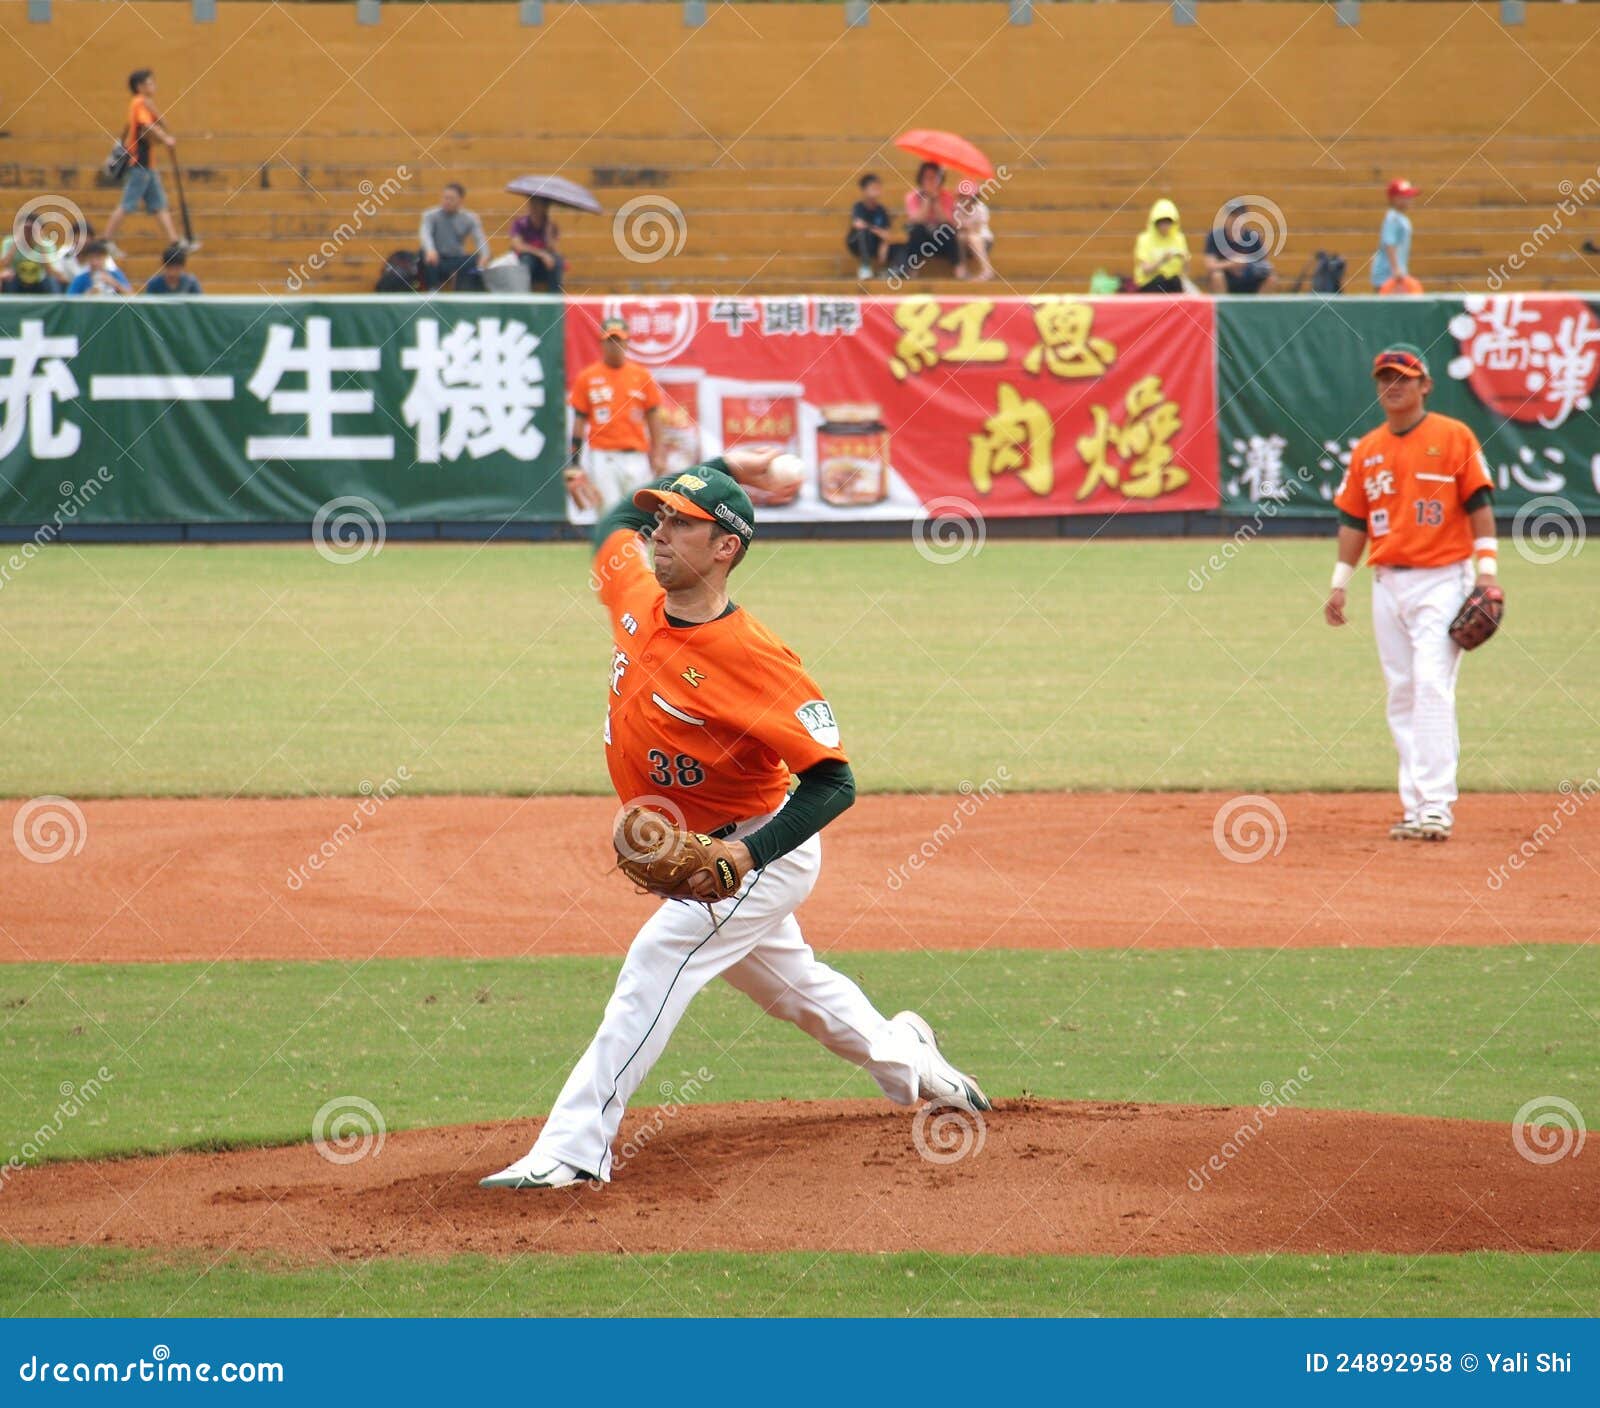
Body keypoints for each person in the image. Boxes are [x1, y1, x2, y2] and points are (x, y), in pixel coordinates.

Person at [479, 452, 990, 1190]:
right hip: (698, 851)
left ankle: (573, 1150)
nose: (658, 531)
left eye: (680, 523)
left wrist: (750, 860)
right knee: (793, 990)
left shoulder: (756, 660)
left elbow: (833, 782)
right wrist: (717, 466)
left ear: (726, 547)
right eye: (661, 516)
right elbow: (610, 528)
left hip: (758, 848)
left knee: (657, 962)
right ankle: (908, 1053)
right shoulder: (634, 590)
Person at [1324, 343, 1499, 843]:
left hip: (1443, 578)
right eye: (1384, 378)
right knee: (1402, 692)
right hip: (1386, 583)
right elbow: (1353, 520)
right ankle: (1416, 804)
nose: (1392, 385)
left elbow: (1480, 503)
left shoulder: (1452, 436)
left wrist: (1487, 573)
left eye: (1403, 377)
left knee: (1430, 684)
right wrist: (1340, 584)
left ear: (1425, 385)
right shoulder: (1367, 449)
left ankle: (1437, 805)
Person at [566, 317, 665, 510]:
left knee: (638, 513)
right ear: (602, 343)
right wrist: (574, 463)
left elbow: (654, 417)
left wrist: (658, 454)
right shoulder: (587, 377)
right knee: (609, 513)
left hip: (636, 455)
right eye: (610, 340)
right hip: (603, 456)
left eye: (618, 340)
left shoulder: (641, 375)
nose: (614, 345)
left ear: (627, 343)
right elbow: (578, 423)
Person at [105, 69, 183, 249]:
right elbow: (147, 125)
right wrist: (166, 139)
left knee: (159, 204)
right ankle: (106, 240)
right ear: (139, 86)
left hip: (148, 165)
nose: (153, 86)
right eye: (149, 83)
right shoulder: (139, 103)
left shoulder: (144, 103)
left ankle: (174, 242)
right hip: (139, 163)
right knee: (127, 204)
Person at [894, 161, 961, 280]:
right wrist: (927, 200)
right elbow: (916, 219)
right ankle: (913, 269)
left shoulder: (947, 196)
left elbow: (947, 220)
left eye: (933, 178)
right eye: (927, 178)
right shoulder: (912, 196)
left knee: (947, 230)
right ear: (921, 179)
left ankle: (958, 269)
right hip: (921, 241)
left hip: (940, 241)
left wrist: (935, 200)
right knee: (917, 230)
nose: (930, 181)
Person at [418, 183, 487, 292]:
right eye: (445, 198)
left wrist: (484, 256)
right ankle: (433, 289)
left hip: (456, 258)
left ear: (460, 201)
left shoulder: (470, 218)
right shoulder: (430, 215)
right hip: (437, 258)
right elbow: (425, 234)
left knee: (475, 259)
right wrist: (430, 250)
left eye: (451, 199)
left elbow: (480, 239)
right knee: (423, 253)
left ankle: (462, 290)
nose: (447, 201)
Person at [1205, 200, 1273, 294]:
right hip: (1227, 277)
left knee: (1270, 277)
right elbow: (1210, 265)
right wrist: (1231, 264)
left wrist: (1247, 263)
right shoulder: (1215, 237)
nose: (1235, 219)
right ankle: (1223, 307)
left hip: (1248, 276)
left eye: (1239, 215)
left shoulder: (1253, 237)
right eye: (1232, 215)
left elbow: (1265, 265)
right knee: (1217, 276)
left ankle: (1258, 307)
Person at [1133, 197, 1190, 294]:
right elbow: (1146, 270)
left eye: (1168, 222)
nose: (1165, 226)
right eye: (1161, 222)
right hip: (1150, 283)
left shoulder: (1179, 238)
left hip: (1172, 282)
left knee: (1176, 281)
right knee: (1161, 280)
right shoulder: (1144, 239)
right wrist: (1162, 260)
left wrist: (1185, 260)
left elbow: (1185, 272)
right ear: (1155, 223)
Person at [509, 195, 564, 292]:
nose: (534, 208)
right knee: (527, 258)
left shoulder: (551, 225)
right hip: (527, 264)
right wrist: (541, 254)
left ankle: (555, 300)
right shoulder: (520, 223)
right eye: (532, 204)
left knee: (557, 261)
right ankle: (523, 297)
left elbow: (554, 249)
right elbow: (517, 245)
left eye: (538, 205)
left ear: (545, 207)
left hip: (545, 266)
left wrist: (548, 233)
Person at [0, 212, 63, 294]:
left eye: (32, 229)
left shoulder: (47, 245)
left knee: (51, 280)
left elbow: (50, 271)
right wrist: (17, 242)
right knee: (7, 278)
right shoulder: (9, 242)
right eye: (25, 229)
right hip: (16, 281)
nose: (28, 232)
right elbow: (3, 265)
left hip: (40, 282)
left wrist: (41, 244)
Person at [1372, 178, 1417, 291]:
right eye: (1405, 197)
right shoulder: (1393, 218)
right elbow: (1389, 244)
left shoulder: (1401, 218)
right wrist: (1396, 269)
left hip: (1394, 275)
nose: (1410, 199)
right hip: (1387, 277)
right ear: (1394, 199)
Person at [846, 173, 892, 280]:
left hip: (875, 243)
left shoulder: (881, 210)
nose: (876, 190)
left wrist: (884, 245)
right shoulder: (859, 207)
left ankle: (894, 269)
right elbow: (858, 224)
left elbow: (886, 233)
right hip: (857, 241)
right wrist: (876, 230)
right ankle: (865, 266)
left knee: (898, 244)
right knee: (862, 231)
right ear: (864, 190)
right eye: (873, 187)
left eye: (878, 187)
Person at [953, 179, 995, 282]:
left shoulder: (980, 209)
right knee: (961, 236)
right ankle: (962, 268)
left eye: (966, 195)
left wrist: (965, 228)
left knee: (973, 237)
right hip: (964, 241)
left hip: (982, 240)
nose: (964, 199)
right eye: (962, 195)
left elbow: (976, 229)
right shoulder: (956, 209)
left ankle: (987, 270)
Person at [66, 239, 131, 297]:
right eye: (91, 258)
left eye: (98, 258)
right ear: (86, 259)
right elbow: (69, 302)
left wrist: (114, 283)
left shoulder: (115, 274)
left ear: (105, 257)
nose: (95, 262)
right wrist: (86, 296)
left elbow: (131, 296)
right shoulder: (81, 279)